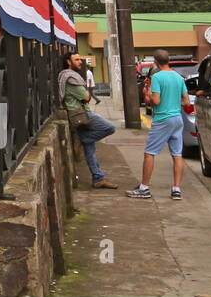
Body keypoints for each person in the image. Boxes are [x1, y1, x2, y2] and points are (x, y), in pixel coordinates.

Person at [127, 49, 188, 200]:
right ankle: (176, 190)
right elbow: (186, 101)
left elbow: (156, 101)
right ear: (168, 60)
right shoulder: (178, 77)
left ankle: (144, 188)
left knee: (149, 153)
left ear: (155, 61)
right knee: (177, 154)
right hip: (177, 119)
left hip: (162, 119)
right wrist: (174, 103)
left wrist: (147, 94)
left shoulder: (157, 77)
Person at [59, 52, 117, 189]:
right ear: (68, 62)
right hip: (81, 114)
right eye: (77, 59)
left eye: (80, 59)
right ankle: (85, 138)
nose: (80, 62)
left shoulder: (67, 75)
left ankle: (98, 178)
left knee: (90, 149)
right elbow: (86, 98)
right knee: (109, 128)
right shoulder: (70, 77)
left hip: (78, 114)